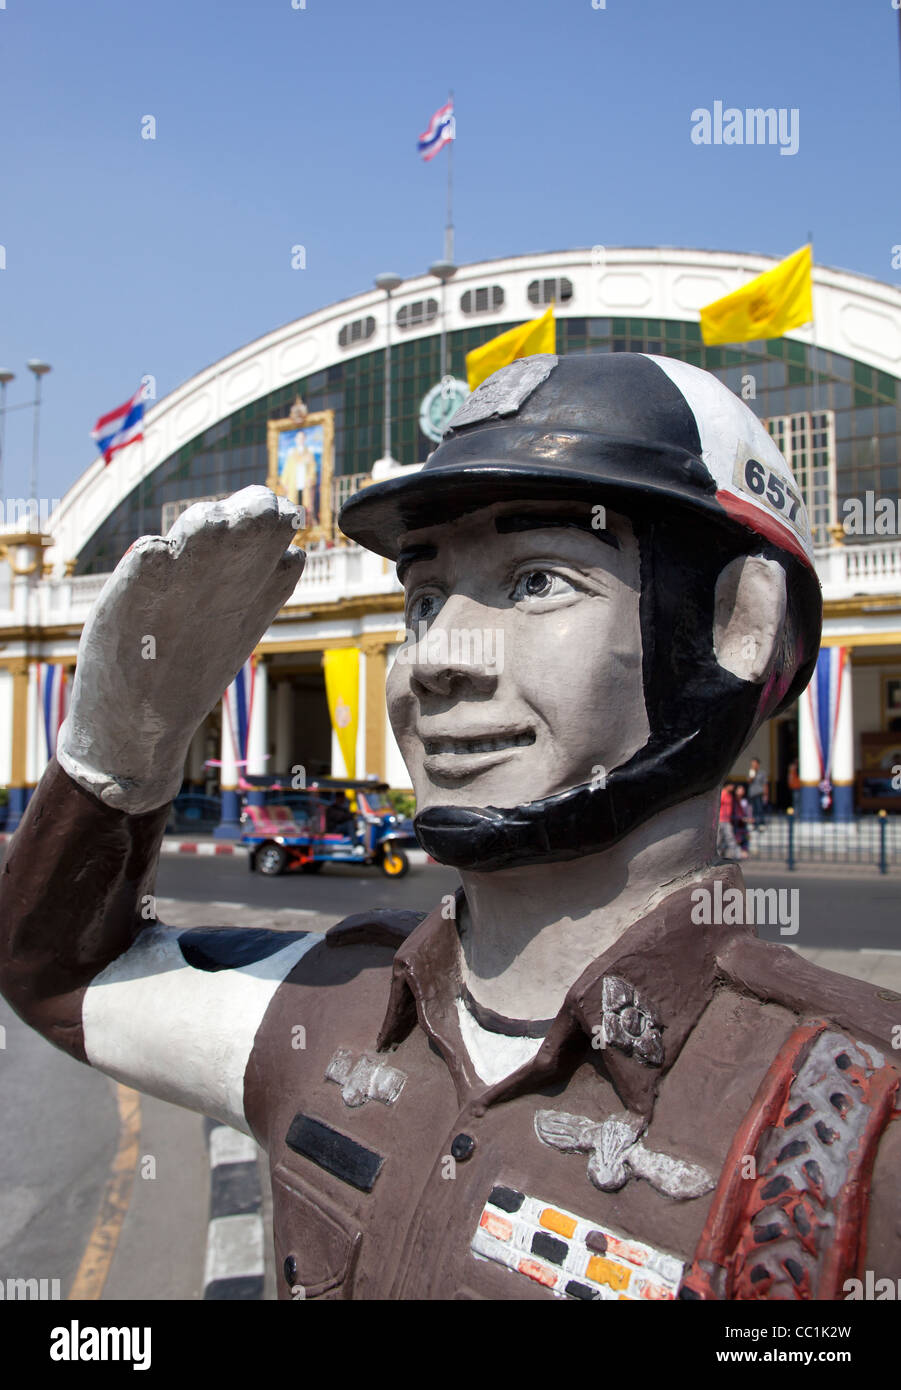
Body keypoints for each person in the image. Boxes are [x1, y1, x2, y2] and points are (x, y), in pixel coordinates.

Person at [2, 353, 899, 1302]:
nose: (436, 658)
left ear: (738, 624)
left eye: (536, 582)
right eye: (423, 598)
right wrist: (120, 745)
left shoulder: (856, 1125)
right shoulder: (326, 1012)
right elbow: (60, 974)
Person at [747, 755, 768, 829]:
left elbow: (765, 784)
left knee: (760, 808)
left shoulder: (762, 773)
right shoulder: (751, 772)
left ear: (757, 764)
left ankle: (761, 823)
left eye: (754, 763)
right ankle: (755, 823)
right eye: (752, 764)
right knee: (754, 809)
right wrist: (752, 774)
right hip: (752, 794)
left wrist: (765, 795)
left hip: (759, 793)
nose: (753, 765)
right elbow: (749, 781)